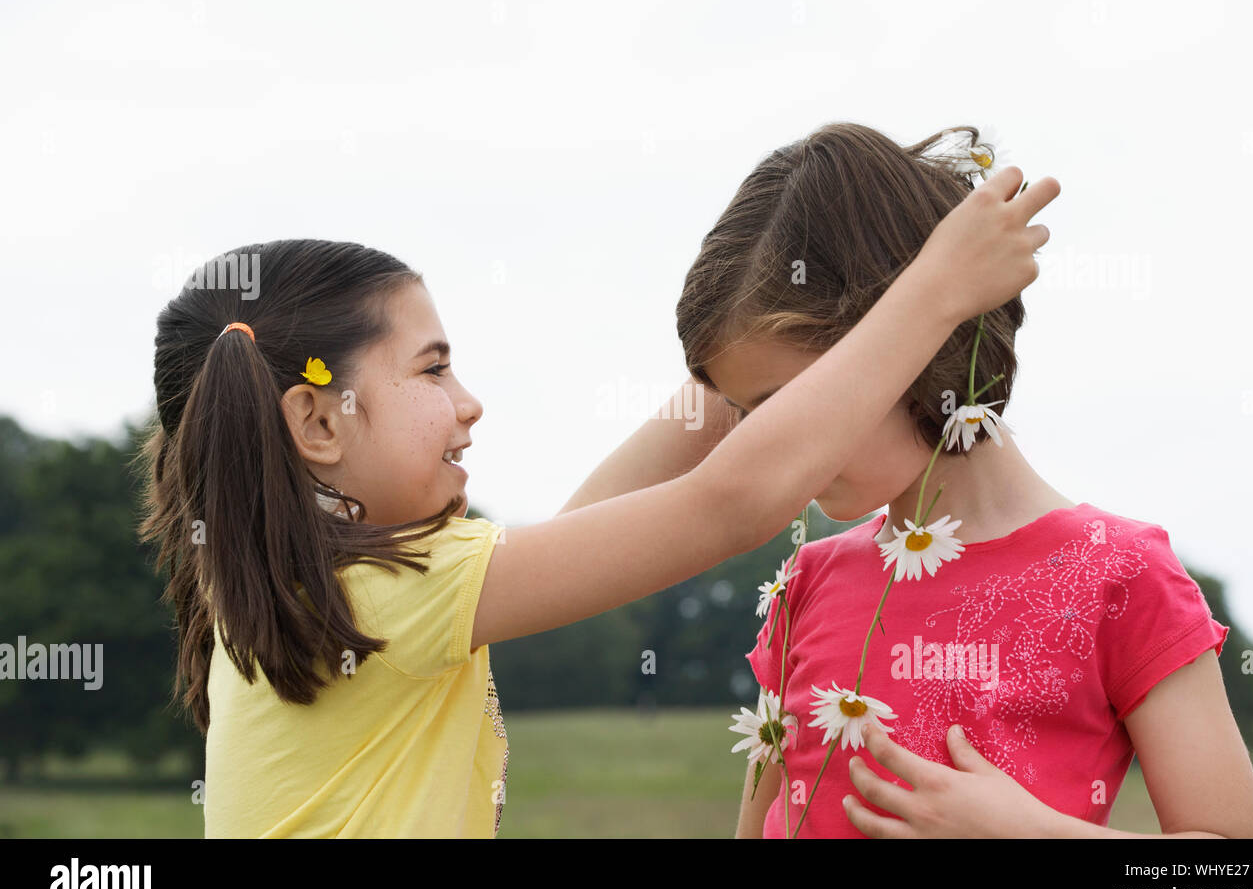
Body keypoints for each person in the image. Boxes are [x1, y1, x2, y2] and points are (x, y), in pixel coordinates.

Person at [138, 162, 1055, 836]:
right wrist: (934, 291)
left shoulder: (317, 596)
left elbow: (588, 533)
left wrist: (737, 366)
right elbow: (728, 506)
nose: (469, 402)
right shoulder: (385, 591)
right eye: (434, 368)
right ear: (319, 423)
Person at [569, 122, 1253, 838]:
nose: (767, 446)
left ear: (909, 338)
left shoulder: (1122, 578)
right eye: (744, 415)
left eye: (785, 405)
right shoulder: (805, 584)